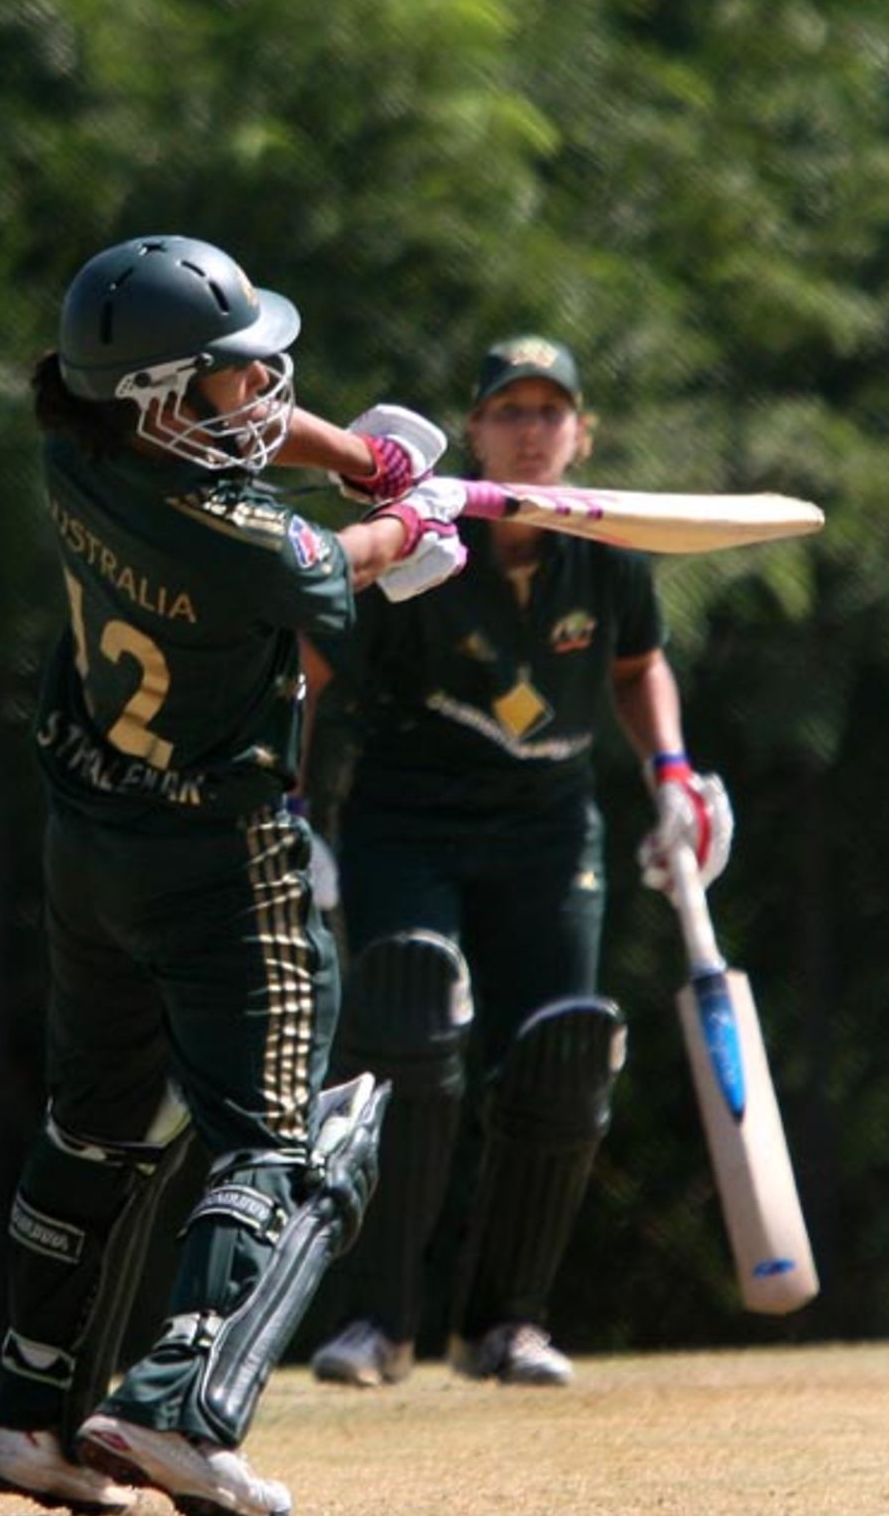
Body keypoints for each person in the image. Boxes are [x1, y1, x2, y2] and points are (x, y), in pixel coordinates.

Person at [0, 233, 470, 1516]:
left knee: (97, 1119)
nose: (257, 396)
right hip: (222, 861)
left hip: (89, 846)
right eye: (230, 380)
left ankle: (27, 1416)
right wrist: (415, 518)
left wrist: (365, 454)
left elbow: (251, 442)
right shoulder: (256, 550)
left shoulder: (73, 453)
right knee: (290, 1135)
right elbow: (328, 574)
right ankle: (182, 1406)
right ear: (159, 397)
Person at [304, 334, 733, 1389]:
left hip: (549, 824)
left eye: (552, 413)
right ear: (477, 428)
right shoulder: (422, 536)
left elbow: (638, 668)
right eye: (511, 412)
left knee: (563, 1053)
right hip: (409, 814)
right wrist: (292, 809)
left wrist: (672, 774)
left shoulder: (609, 546)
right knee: (406, 1020)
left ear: (582, 433)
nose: (532, 431)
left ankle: (507, 1322)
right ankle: (377, 1321)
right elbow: (309, 665)